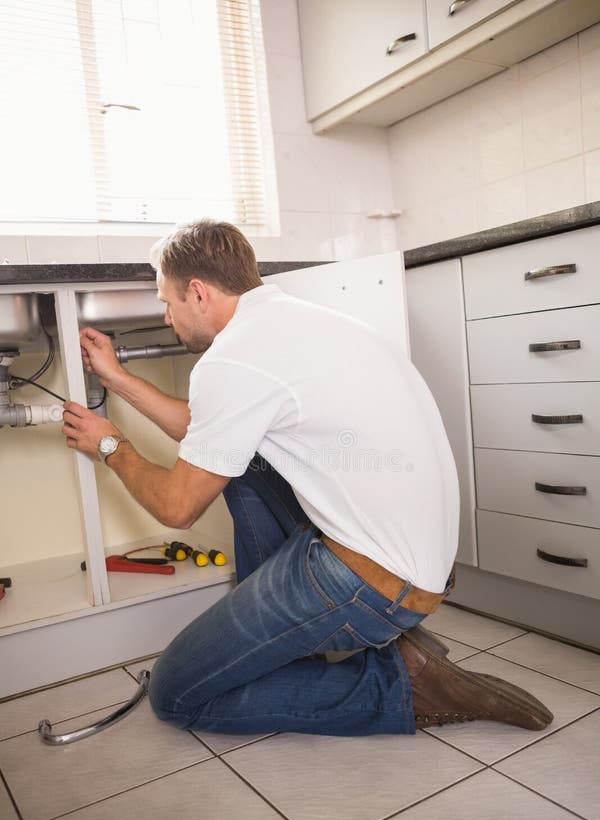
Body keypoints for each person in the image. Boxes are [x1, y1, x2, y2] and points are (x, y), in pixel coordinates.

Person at [62, 220, 553, 736]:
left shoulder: (232, 358)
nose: (167, 317)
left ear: (199, 293)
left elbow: (177, 508)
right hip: (416, 565)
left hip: (374, 582)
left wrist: (111, 446)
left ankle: (401, 687)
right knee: (240, 467)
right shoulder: (295, 322)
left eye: (168, 302)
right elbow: (212, 431)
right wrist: (118, 378)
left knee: (177, 693)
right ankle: (267, 638)